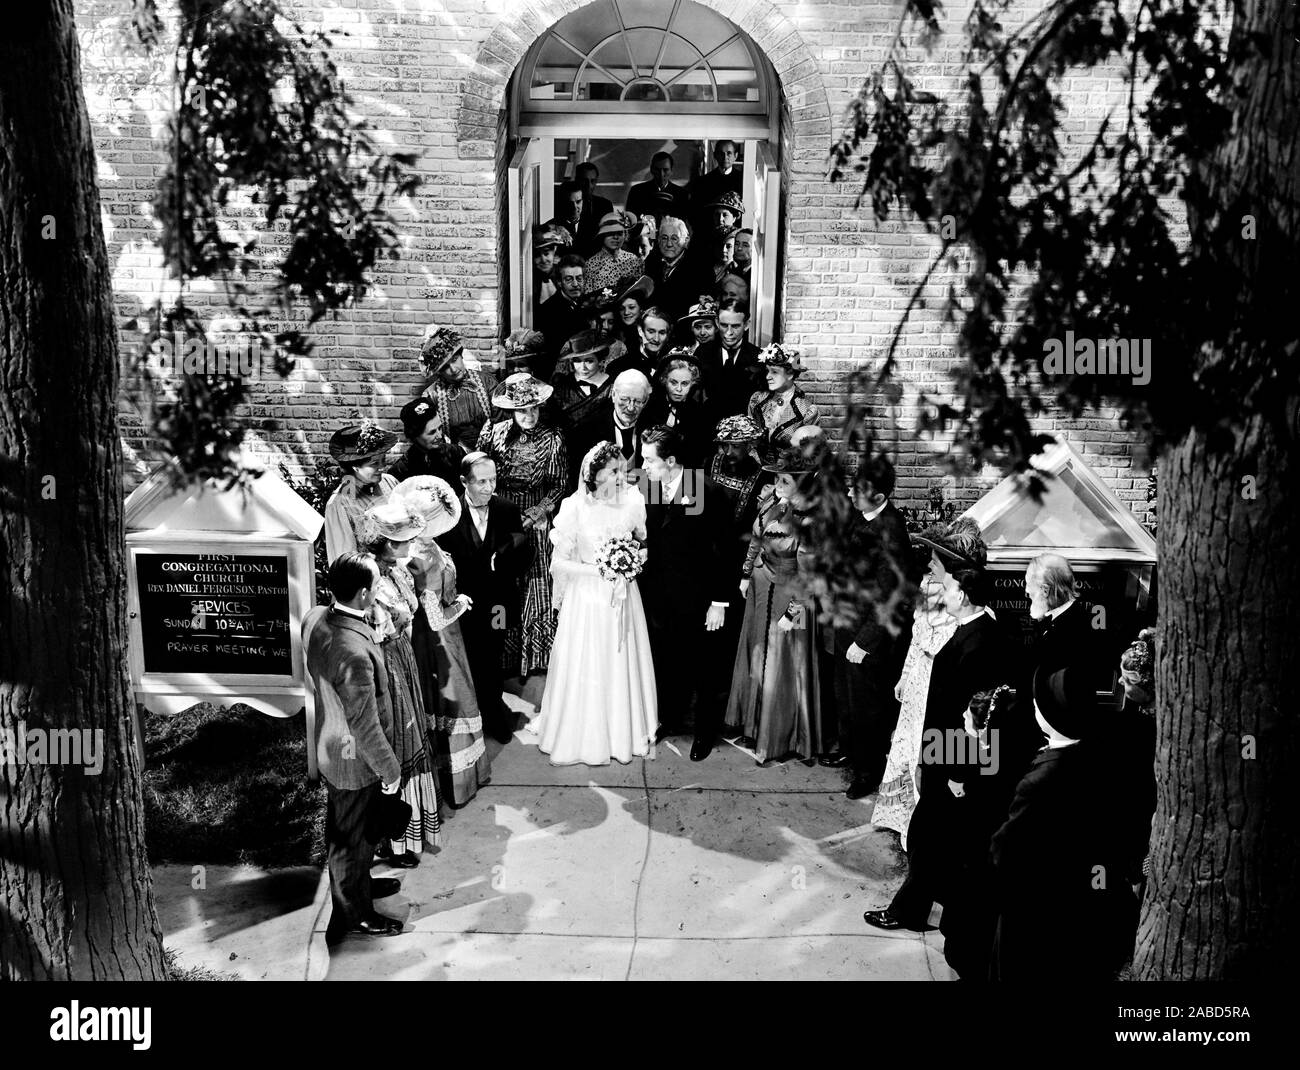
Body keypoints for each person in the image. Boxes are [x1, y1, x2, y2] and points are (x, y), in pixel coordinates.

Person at [864, 550, 1012, 933]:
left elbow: (975, 716)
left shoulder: (979, 643)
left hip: (952, 759)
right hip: (940, 751)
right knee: (932, 836)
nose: (941, 593)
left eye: (948, 588)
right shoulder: (970, 631)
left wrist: (956, 774)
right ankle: (934, 905)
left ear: (962, 595)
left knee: (928, 837)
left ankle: (910, 911)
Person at [989, 666, 1139, 980]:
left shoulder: (1040, 782)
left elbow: (1005, 850)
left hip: (1037, 910)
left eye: (1039, 704)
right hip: (1082, 904)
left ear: (1052, 718)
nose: (1034, 706)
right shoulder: (1097, 753)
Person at [530, 442, 658, 765]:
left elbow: (643, 543)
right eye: (614, 471)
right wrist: (599, 570)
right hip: (586, 599)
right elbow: (558, 563)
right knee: (587, 663)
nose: (621, 477)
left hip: (623, 597)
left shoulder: (633, 501)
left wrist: (632, 561)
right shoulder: (574, 508)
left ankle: (623, 732)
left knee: (620, 659)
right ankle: (585, 734)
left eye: (622, 470)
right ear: (594, 474)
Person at [304, 552, 404, 942]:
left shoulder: (316, 618)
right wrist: (390, 771)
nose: (378, 591)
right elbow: (365, 724)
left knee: (352, 830)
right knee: (351, 839)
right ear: (363, 594)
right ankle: (354, 914)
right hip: (354, 760)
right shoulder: (354, 654)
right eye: (376, 585)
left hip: (330, 743)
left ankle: (359, 884)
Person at [869, 522, 979, 847]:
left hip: (940, 681)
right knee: (906, 746)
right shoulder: (927, 584)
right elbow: (917, 637)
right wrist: (905, 675)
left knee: (927, 751)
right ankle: (900, 816)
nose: (929, 562)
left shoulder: (964, 596)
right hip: (919, 676)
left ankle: (921, 827)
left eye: (935, 558)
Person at [818, 453, 914, 799]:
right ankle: (850, 752)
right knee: (845, 698)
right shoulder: (860, 516)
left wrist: (865, 642)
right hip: (847, 625)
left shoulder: (891, 533)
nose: (850, 494)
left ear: (880, 496)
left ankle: (868, 771)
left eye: (857, 491)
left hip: (867, 637)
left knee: (867, 707)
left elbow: (891, 597)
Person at [395, 475, 492, 807]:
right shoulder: (424, 559)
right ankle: (455, 784)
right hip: (438, 643)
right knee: (453, 701)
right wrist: (462, 604)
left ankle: (453, 779)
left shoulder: (424, 547)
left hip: (440, 639)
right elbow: (436, 617)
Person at [639, 425, 735, 760]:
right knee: (667, 663)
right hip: (661, 597)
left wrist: (719, 602)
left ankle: (704, 733)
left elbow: (725, 549)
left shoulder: (704, 490)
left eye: (649, 460)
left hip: (699, 599)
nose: (643, 466)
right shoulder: (648, 485)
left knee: (705, 668)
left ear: (671, 461)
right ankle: (670, 720)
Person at [357, 500, 443, 866]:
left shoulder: (398, 571)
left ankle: (408, 829)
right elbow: (369, 631)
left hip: (403, 656)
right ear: (389, 544)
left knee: (412, 734)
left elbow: (417, 612)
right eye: (405, 539)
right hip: (385, 663)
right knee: (397, 740)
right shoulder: (370, 580)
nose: (411, 543)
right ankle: (391, 839)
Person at [724, 447, 821, 764]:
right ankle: (753, 726)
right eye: (777, 479)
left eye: (784, 481)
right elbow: (755, 539)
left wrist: (794, 613)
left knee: (786, 661)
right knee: (757, 654)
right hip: (761, 588)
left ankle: (783, 737)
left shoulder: (810, 521)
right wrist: (745, 574)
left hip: (792, 596)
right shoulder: (770, 503)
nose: (777, 486)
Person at [434, 453, 534, 744]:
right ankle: (473, 714)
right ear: (464, 482)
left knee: (494, 654)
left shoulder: (507, 509)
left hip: (499, 603)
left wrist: (505, 558)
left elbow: (520, 550)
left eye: (493, 480)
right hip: (464, 603)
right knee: (472, 656)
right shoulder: (449, 515)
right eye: (481, 482)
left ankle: (494, 711)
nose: (489, 488)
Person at [477, 372, 569, 678]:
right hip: (499, 515)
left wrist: (536, 512)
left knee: (536, 584)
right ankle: (502, 655)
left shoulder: (553, 437)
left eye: (534, 409)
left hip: (536, 517)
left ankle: (537, 657)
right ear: (511, 411)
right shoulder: (493, 433)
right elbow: (479, 473)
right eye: (522, 410)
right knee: (501, 584)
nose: (529, 416)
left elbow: (559, 484)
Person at [939, 684, 1020, 980]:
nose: (963, 717)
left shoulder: (981, 768)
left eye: (967, 716)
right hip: (981, 858)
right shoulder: (999, 757)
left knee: (973, 911)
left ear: (982, 728)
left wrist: (959, 788)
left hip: (976, 860)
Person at [324, 422, 399, 564]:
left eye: (383, 460)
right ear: (355, 467)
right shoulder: (339, 504)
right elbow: (345, 560)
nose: (382, 467)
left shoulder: (388, 482)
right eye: (374, 463)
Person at [419, 325, 498, 452]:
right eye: (445, 367)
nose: (453, 369)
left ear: (461, 356)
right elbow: (432, 438)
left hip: (491, 452)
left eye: (455, 360)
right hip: (454, 456)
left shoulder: (487, 381)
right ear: (438, 372)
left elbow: (501, 423)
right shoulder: (431, 395)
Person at [570, 368, 652, 483]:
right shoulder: (587, 429)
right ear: (613, 395)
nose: (630, 408)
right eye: (624, 399)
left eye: (638, 401)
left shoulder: (654, 428)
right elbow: (579, 478)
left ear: (646, 401)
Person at [748, 343, 821, 462]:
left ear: (790, 374)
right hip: (757, 469)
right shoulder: (757, 400)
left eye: (774, 372)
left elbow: (808, 454)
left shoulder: (807, 410)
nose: (768, 377)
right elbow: (749, 441)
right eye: (767, 371)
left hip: (789, 470)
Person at [696, 297, 761, 421]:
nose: (729, 333)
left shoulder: (758, 357)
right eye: (724, 325)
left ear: (747, 324)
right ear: (716, 322)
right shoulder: (702, 352)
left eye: (735, 326)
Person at [641, 351, 709, 468]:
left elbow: (698, 458)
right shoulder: (650, 408)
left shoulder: (698, 413)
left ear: (693, 383)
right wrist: (643, 478)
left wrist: (688, 479)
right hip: (650, 472)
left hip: (686, 473)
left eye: (685, 384)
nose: (679, 389)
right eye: (673, 382)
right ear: (664, 380)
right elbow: (641, 454)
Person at [643, 216, 714, 323]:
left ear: (686, 241)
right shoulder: (651, 262)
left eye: (674, 238)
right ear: (658, 240)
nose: (669, 244)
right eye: (664, 238)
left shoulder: (701, 269)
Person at [389, 397, 465, 485]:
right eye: (432, 432)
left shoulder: (456, 453)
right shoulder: (400, 471)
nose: (439, 436)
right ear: (415, 436)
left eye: (440, 428)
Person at [550, 329, 614, 434]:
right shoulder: (562, 385)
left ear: (600, 361)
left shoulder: (613, 386)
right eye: (577, 361)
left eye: (589, 361)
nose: (583, 367)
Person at [536, 253, 589, 379]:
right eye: (569, 279)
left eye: (579, 278)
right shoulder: (548, 310)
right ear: (559, 282)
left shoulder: (582, 303)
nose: (575, 284)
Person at [584, 211, 644, 292]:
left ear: (625, 235)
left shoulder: (634, 260)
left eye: (619, 233)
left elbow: (640, 291)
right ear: (603, 235)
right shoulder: (591, 265)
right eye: (611, 233)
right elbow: (588, 296)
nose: (615, 237)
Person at [606, 306, 672, 380]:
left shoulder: (672, 364)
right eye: (651, 332)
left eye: (662, 333)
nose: (656, 339)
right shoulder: (618, 366)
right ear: (640, 330)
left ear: (668, 335)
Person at [626, 150, 690, 225]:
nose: (661, 174)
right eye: (657, 170)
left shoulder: (682, 194)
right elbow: (630, 222)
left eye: (665, 170)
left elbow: (684, 225)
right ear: (651, 170)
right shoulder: (636, 192)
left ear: (671, 171)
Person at [691, 140, 744, 227]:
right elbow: (696, 212)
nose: (725, 157)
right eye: (721, 153)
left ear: (736, 156)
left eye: (729, 153)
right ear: (715, 155)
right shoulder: (703, 182)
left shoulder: (743, 180)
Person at [614, 274, 654, 355]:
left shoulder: (652, 329)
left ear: (641, 308)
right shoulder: (618, 336)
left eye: (631, 307)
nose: (626, 312)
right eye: (622, 308)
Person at [532, 223, 568, 307]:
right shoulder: (531, 281)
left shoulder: (563, 275)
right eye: (537, 255)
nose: (543, 260)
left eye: (546, 253)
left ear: (554, 250)